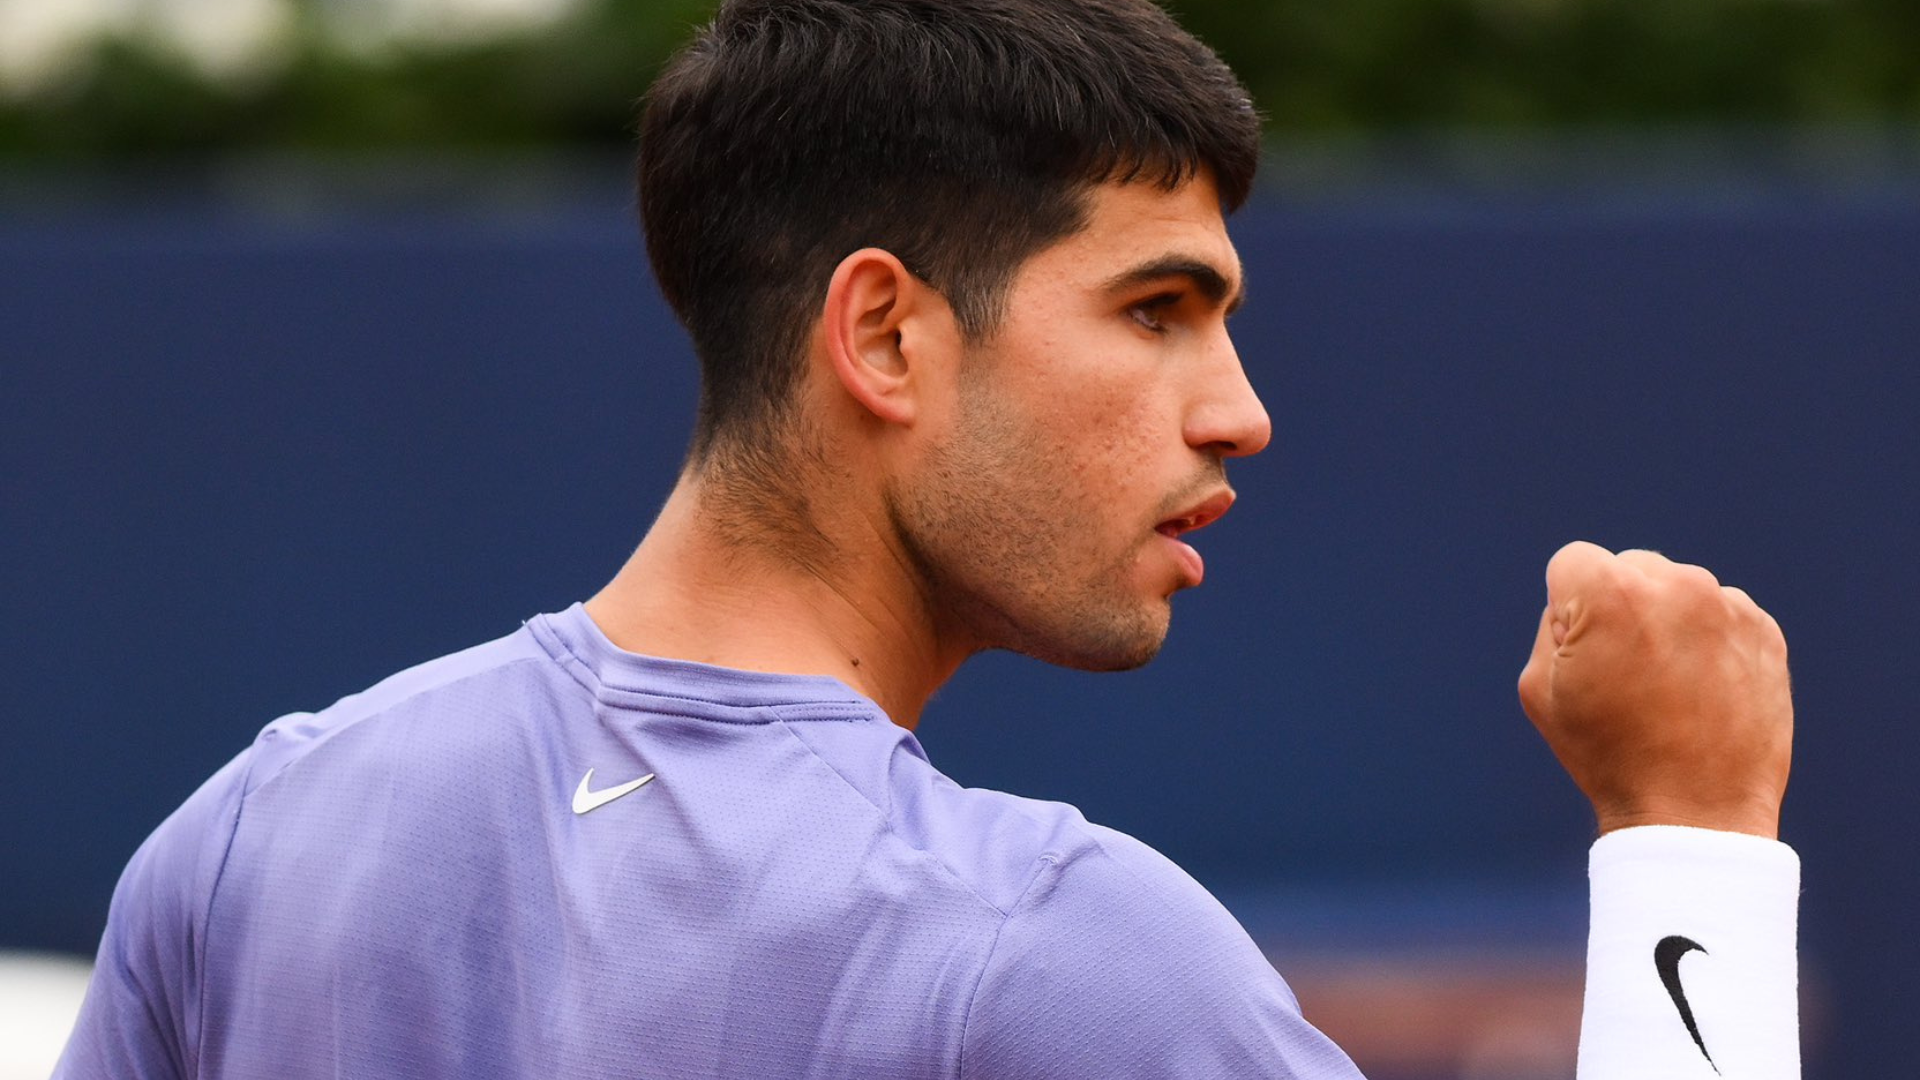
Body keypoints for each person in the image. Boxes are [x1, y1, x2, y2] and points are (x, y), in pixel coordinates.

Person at [55, 0, 1799, 1076]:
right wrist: (1695, 845)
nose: (1238, 408)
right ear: (884, 334)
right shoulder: (1053, 954)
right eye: (1159, 309)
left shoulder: (252, 839)